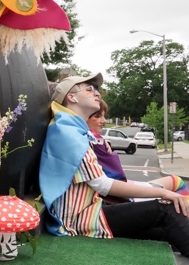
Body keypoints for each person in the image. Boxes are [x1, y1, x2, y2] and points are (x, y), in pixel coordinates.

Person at [39, 73, 189, 254]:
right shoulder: (67, 133)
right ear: (72, 97)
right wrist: (163, 192)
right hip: (79, 219)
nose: (97, 93)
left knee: (169, 230)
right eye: (89, 89)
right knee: (166, 209)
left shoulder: (72, 129)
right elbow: (103, 185)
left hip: (91, 210)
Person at [87, 98, 188, 193]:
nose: (104, 121)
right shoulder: (87, 142)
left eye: (104, 116)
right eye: (97, 116)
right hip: (118, 193)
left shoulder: (95, 139)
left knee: (176, 182)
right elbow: (102, 184)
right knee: (177, 183)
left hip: (120, 186)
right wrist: (163, 194)